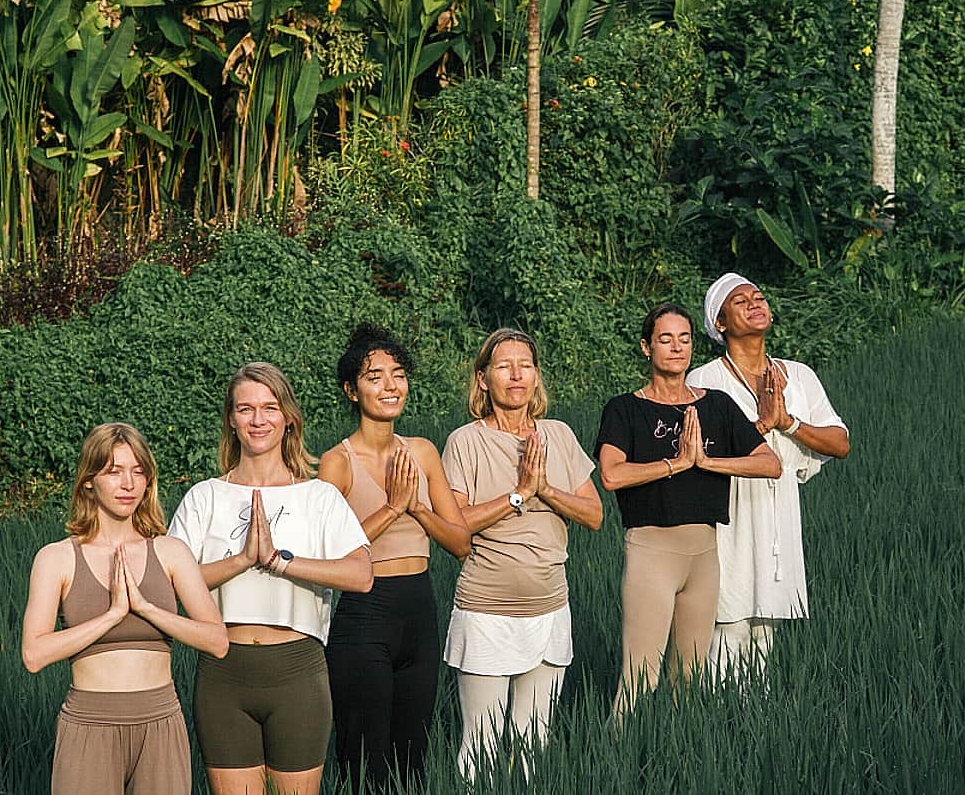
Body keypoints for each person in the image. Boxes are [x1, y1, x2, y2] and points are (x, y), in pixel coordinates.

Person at [167, 362, 373, 795]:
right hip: (224, 674)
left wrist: (280, 562)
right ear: (231, 419)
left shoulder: (318, 497)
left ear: (288, 418)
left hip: (297, 672)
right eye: (246, 409)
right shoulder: (205, 497)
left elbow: (361, 574)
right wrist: (242, 560)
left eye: (269, 408)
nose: (258, 420)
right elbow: (171, 584)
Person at [21, 422, 229, 795]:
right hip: (89, 724)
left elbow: (217, 641)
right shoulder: (56, 558)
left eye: (138, 472)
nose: (128, 484)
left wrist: (147, 608)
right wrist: (113, 615)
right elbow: (34, 654)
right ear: (88, 480)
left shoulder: (170, 552)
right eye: (113, 472)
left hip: (161, 722)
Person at [595, 304, 781, 714]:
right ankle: (619, 764)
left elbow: (770, 463)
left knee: (690, 680)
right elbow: (611, 475)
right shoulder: (625, 409)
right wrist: (675, 463)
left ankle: (674, 764)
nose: (676, 348)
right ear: (646, 347)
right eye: (665, 339)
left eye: (684, 339)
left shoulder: (717, 405)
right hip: (651, 551)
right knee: (639, 680)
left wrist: (708, 462)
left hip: (704, 553)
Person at [441, 328, 603, 780]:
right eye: (503, 366)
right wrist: (517, 494)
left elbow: (593, 515)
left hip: (550, 609)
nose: (516, 374)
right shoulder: (465, 442)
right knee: (480, 746)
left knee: (535, 742)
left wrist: (544, 489)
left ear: (536, 377)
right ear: (482, 379)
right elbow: (454, 524)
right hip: (486, 610)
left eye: (525, 365)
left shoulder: (558, 435)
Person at [319, 325, 471, 791]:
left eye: (398, 375)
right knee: (365, 758)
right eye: (375, 377)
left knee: (413, 757)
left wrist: (417, 507)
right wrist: (390, 509)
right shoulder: (337, 462)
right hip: (364, 615)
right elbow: (330, 553)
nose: (390, 386)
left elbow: (460, 543)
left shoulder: (422, 452)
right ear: (351, 389)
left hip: (420, 611)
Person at [686, 273, 850, 679]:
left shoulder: (798, 375)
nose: (754, 303)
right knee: (729, 621)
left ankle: (755, 718)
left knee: (765, 626)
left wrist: (787, 422)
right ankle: (717, 719)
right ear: (720, 323)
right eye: (740, 301)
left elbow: (840, 442)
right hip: (728, 513)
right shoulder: (704, 381)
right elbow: (694, 455)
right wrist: (760, 425)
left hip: (779, 509)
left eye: (758, 296)